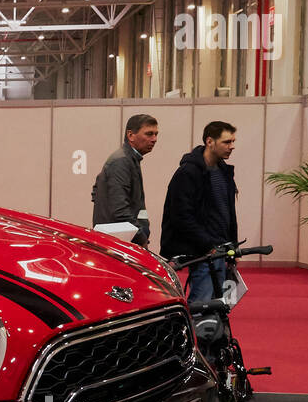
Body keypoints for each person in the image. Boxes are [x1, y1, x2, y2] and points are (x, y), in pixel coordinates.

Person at [160, 121, 239, 301]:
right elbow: (181, 216)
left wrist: (233, 245)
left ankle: (212, 330)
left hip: (220, 249)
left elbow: (227, 212)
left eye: (233, 141)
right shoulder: (188, 173)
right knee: (201, 304)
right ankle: (197, 329)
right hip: (203, 252)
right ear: (210, 141)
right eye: (227, 142)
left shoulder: (224, 171)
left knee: (219, 305)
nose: (232, 147)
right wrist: (208, 246)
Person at [91, 113, 159, 246]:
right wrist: (140, 238)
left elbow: (96, 191)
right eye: (149, 134)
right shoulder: (122, 162)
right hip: (119, 242)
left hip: (121, 240)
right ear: (130, 135)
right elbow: (120, 211)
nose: (154, 139)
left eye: (156, 134)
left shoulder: (128, 159)